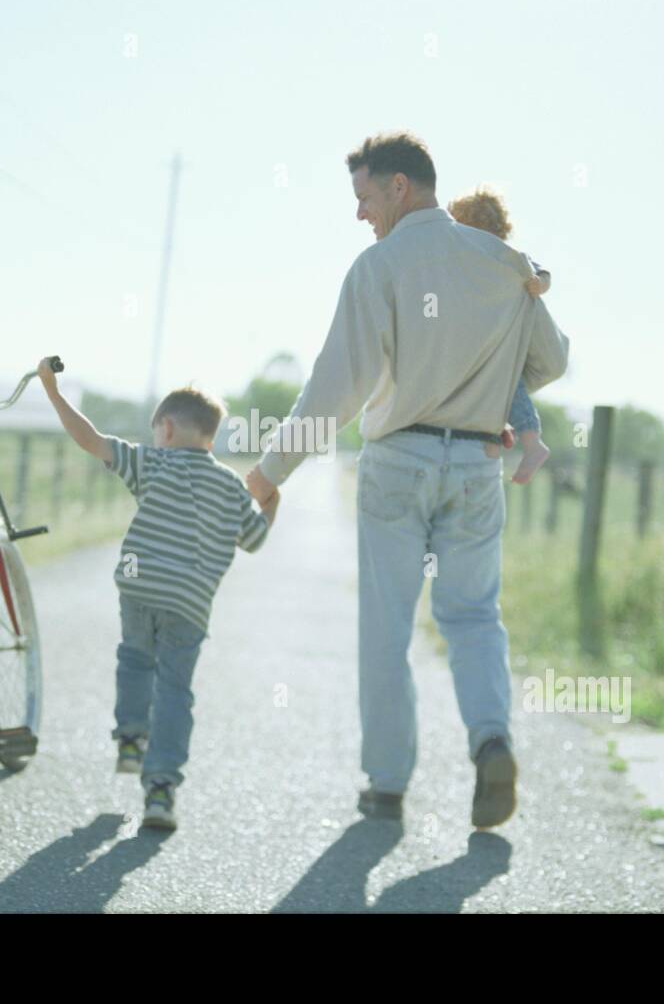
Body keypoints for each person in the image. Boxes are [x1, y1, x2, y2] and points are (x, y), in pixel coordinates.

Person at [246, 132, 569, 829]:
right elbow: (552, 358)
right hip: (479, 466)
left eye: (364, 197)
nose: (360, 214)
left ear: (400, 187)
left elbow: (335, 389)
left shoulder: (381, 265)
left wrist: (270, 471)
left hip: (398, 463)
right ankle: (491, 742)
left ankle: (387, 784)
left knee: (388, 626)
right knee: (475, 615)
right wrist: (486, 377)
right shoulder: (506, 263)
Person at [37, 362, 279, 830]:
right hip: (189, 603)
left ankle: (130, 736)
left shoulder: (154, 461)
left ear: (165, 429)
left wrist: (52, 390)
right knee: (174, 689)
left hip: (140, 585)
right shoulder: (231, 486)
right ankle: (162, 790)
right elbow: (254, 540)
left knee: (133, 658)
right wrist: (271, 503)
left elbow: (90, 439)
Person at [448, 185, 554, 484]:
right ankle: (520, 438)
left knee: (509, 388)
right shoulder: (468, 263)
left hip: (502, 349)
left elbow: (543, 274)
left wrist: (538, 284)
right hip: (493, 348)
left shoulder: (510, 258)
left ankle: (533, 443)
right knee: (501, 390)